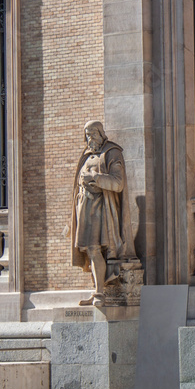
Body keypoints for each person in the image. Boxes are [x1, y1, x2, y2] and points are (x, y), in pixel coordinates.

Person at [70, 121, 135, 306]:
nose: (90, 138)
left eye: (93, 134)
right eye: (87, 135)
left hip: (102, 209)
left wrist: (95, 178)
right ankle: (96, 288)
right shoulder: (86, 156)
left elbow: (118, 183)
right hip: (84, 209)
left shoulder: (112, 153)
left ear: (101, 133)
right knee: (89, 251)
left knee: (94, 249)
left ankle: (99, 293)